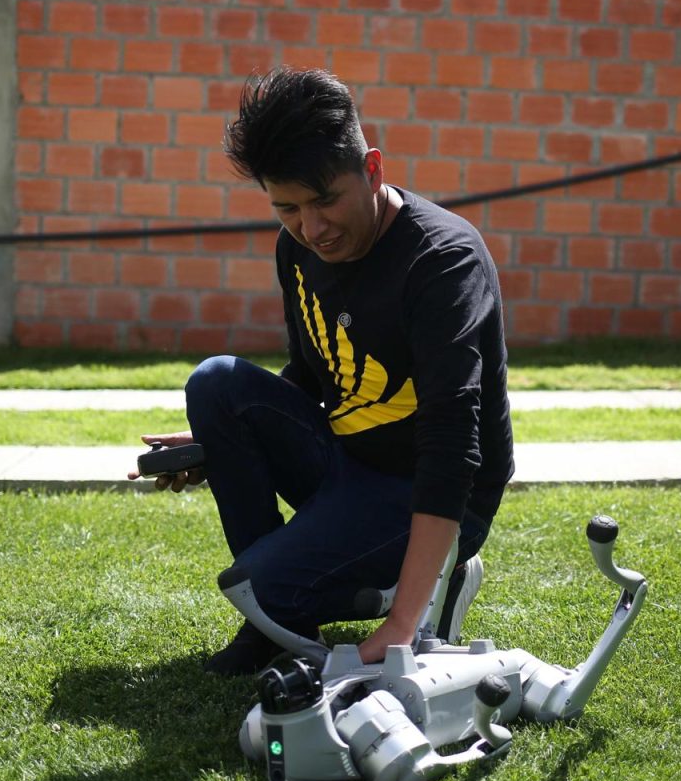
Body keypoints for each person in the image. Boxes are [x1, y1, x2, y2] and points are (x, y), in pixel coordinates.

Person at [128, 67, 514, 676]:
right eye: (288, 208)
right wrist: (224, 444)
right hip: (349, 466)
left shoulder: (444, 262)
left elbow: (454, 439)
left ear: (373, 170)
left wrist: (400, 629)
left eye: (326, 200)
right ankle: (277, 623)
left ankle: (432, 578)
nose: (312, 228)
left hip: (436, 496)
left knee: (262, 585)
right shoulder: (299, 249)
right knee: (216, 383)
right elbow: (314, 372)